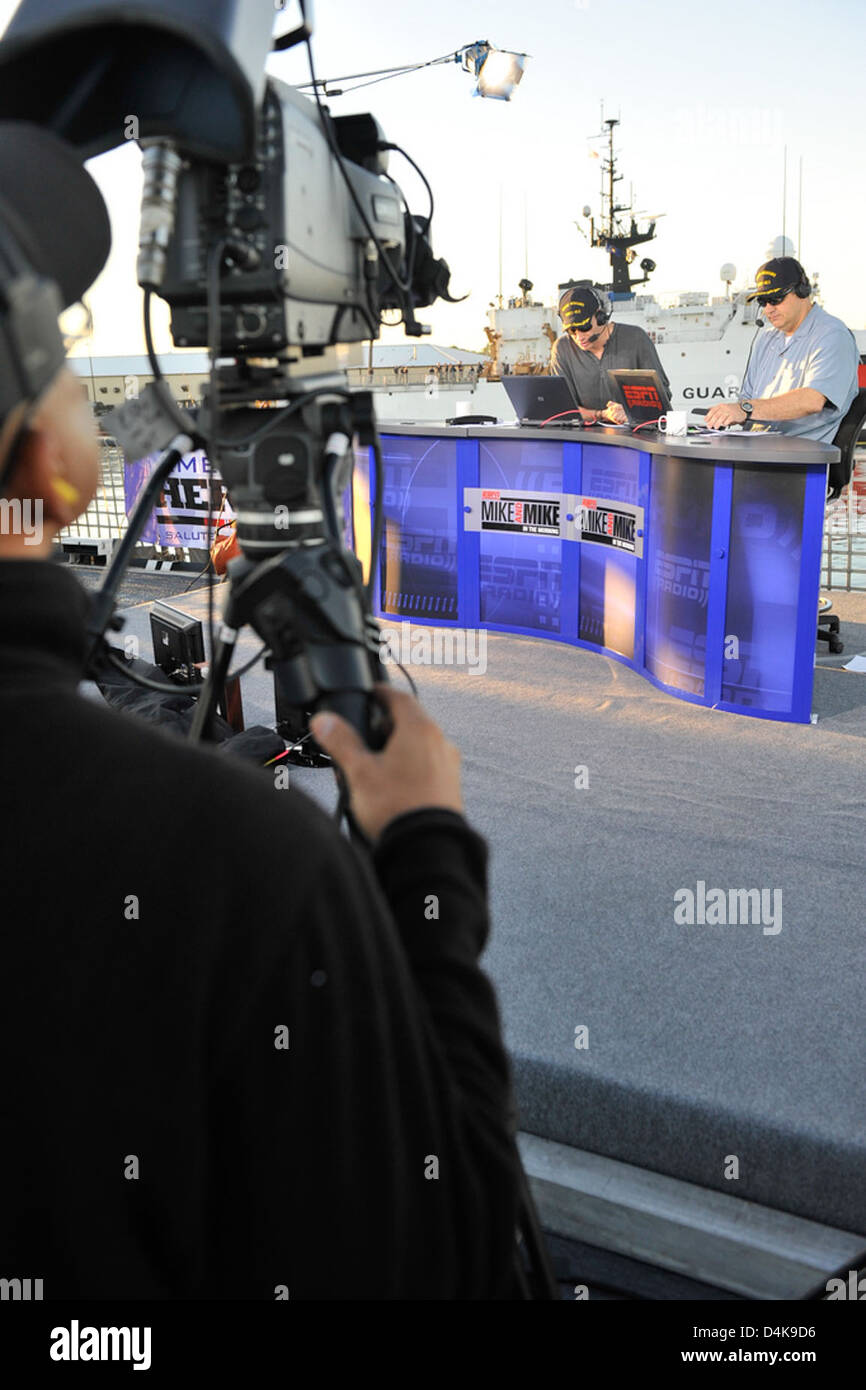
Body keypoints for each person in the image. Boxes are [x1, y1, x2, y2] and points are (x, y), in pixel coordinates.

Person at [0, 126, 522, 1298]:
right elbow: (440, 1259)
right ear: (48, 455)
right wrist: (426, 865)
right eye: (60, 339)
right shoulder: (222, 860)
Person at [705, 257, 858, 441]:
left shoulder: (832, 335)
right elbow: (746, 399)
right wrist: (726, 415)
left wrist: (744, 410)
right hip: (758, 447)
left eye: (776, 298)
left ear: (802, 291)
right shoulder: (766, 340)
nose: (769, 309)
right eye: (763, 301)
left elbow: (812, 400)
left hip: (798, 458)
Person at [550, 284, 671, 425]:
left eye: (584, 327)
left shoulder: (636, 338)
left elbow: (663, 397)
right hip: (586, 439)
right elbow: (562, 409)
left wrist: (630, 412)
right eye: (572, 331)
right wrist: (602, 415)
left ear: (601, 317)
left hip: (636, 435)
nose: (579, 337)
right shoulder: (562, 348)